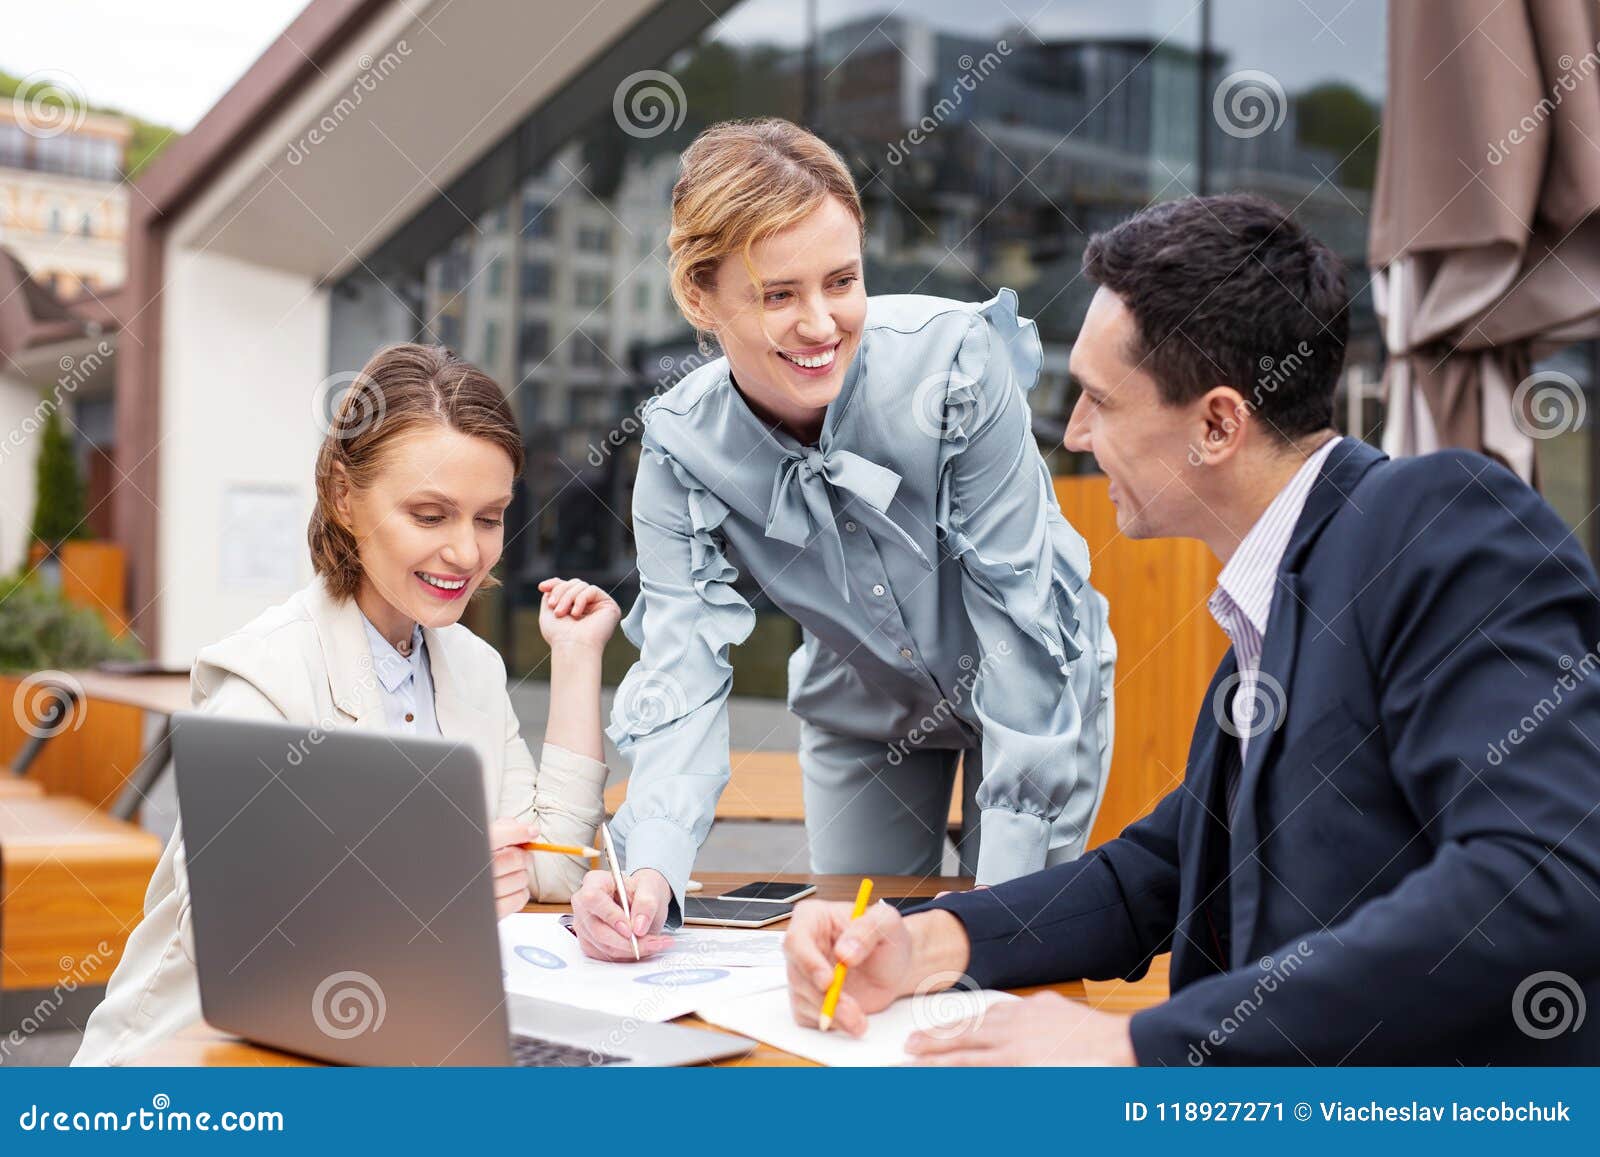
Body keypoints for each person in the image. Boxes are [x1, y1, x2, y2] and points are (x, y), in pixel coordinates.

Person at [782, 193, 1600, 1065]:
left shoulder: (1440, 526)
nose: (1077, 433)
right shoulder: (1281, 594)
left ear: (1217, 424)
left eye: (1100, 400)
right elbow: (1161, 871)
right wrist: (927, 941)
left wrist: (1133, 1044)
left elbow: (1542, 872)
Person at [572, 118, 1115, 961]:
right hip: (862, 707)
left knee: (1002, 962)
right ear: (700, 298)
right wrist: (651, 867)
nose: (821, 324)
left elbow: (1020, 620)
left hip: (1031, 682)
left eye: (842, 281)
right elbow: (682, 664)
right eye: (778, 295)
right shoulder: (681, 448)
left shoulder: (956, 365)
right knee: (852, 959)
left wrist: (999, 923)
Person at [75, 344, 620, 1065]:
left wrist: (576, 660)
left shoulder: (473, 670)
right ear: (342, 497)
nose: (466, 552)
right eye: (430, 515)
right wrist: (430, 889)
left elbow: (551, 869)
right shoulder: (267, 677)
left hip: (373, 1041)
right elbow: (234, 939)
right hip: (198, 1067)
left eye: (489, 518)